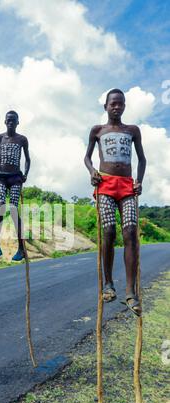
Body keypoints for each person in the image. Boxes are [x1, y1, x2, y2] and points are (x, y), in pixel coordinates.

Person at [84, 89, 146, 315]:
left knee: (130, 233)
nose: (117, 107)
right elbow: (87, 157)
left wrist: (139, 181)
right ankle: (108, 284)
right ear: (106, 107)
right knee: (108, 232)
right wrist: (92, 171)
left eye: (120, 104)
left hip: (127, 186)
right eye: (113, 104)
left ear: (125, 106)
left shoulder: (132, 131)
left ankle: (131, 291)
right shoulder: (97, 131)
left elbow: (142, 159)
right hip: (106, 185)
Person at [0, 111, 31, 261]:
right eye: (8, 120)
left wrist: (26, 174)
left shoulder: (22, 139)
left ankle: (21, 249)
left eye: (14, 120)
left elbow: (28, 159)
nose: (11, 122)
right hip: (1, 178)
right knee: (0, 206)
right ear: (5, 121)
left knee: (13, 210)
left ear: (18, 122)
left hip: (16, 178)